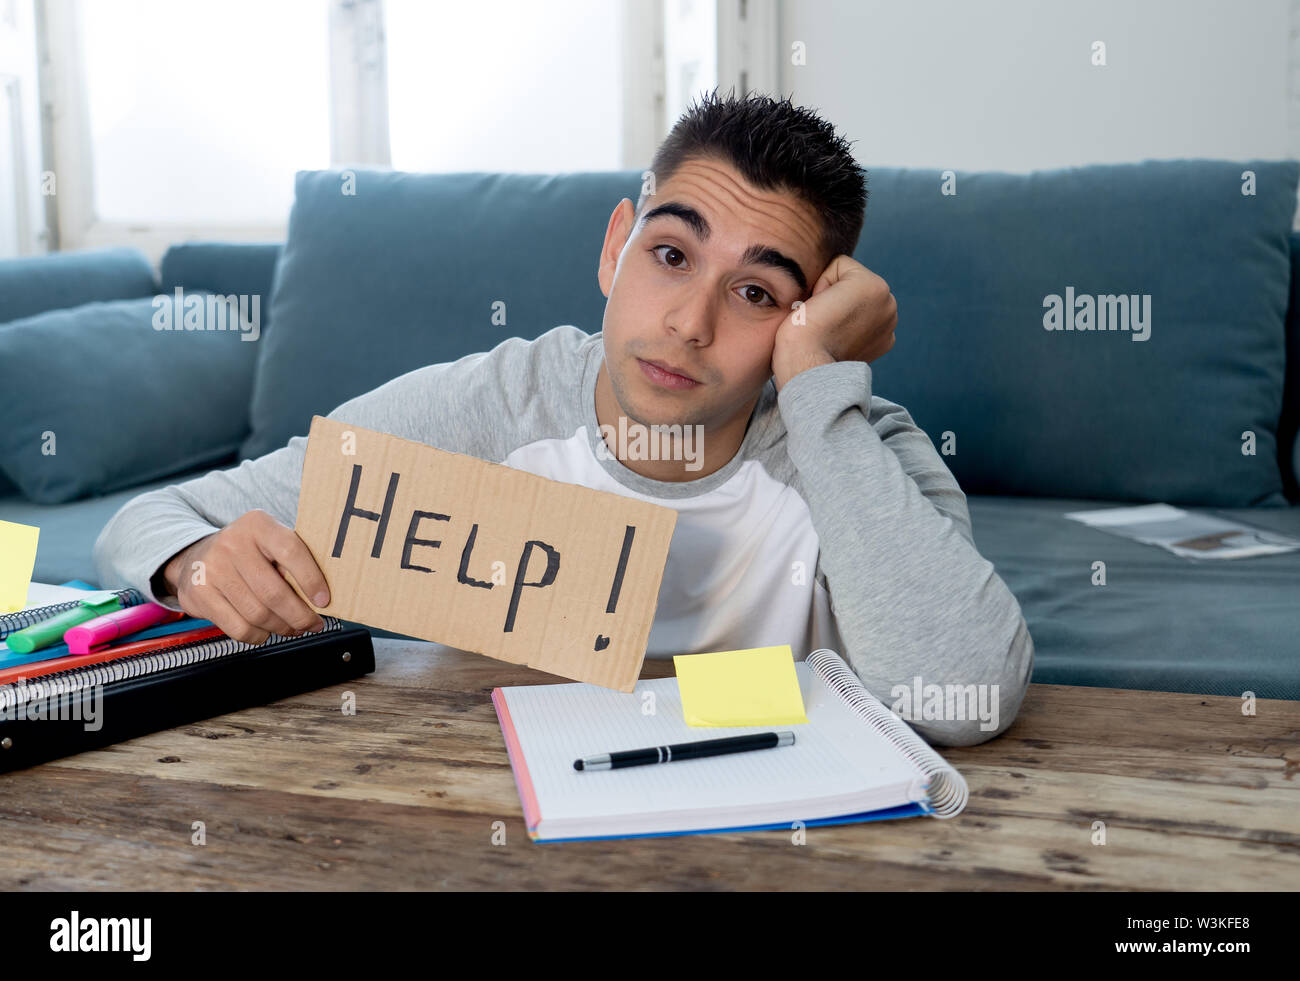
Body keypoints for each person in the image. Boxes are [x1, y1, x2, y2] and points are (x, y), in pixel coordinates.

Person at [94, 89, 1034, 746]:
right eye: (670, 255)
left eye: (754, 292)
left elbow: (964, 694)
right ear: (616, 247)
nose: (688, 323)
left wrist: (821, 384)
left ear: (809, 319)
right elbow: (151, 519)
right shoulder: (487, 406)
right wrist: (195, 563)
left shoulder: (849, 443)